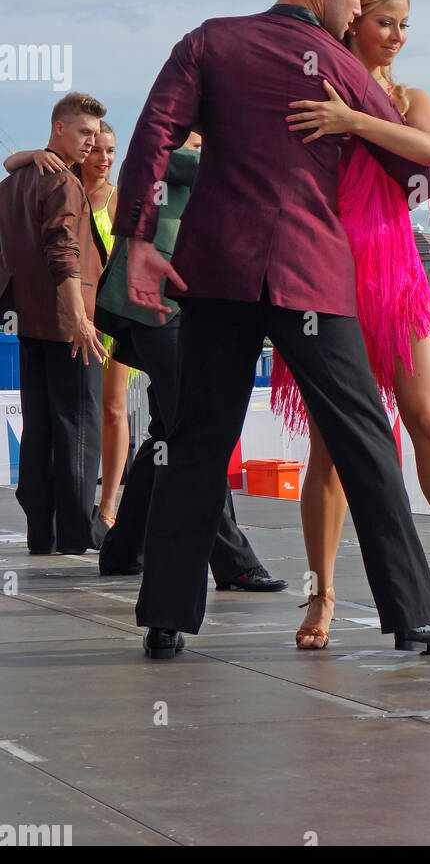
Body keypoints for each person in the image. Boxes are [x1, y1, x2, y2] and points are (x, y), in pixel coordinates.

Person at [115, 0, 430, 660]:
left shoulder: (210, 42)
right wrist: (359, 130)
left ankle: (167, 619)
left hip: (216, 271)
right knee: (365, 438)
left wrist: (137, 243)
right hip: (311, 274)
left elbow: (153, 137)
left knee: (197, 440)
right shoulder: (341, 65)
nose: (359, 11)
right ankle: (416, 617)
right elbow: (413, 167)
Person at [272, 0, 430, 647]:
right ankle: (320, 596)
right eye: (386, 22)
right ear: (353, 20)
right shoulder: (318, 87)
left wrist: (353, 120)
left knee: (427, 420)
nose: (399, 36)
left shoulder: (407, 97)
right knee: (330, 445)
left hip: (398, 274)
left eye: (406, 24)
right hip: (329, 278)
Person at [95, 134, 285, 592]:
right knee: (196, 430)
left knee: (167, 431)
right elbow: (228, 172)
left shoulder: (173, 159)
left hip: (163, 309)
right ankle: (233, 561)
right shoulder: (172, 153)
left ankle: (122, 551)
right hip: (160, 308)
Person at [6, 123, 134, 528]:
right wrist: (31, 154)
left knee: (112, 411)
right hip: (75, 321)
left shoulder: (118, 200)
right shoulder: (65, 186)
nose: (104, 158)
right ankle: (76, 513)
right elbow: (11, 164)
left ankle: (109, 505)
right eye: (97, 149)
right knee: (76, 416)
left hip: (111, 320)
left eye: (111, 151)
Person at [0, 93, 108, 553]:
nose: (92, 142)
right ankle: (77, 533)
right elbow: (63, 254)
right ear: (59, 128)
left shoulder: (14, 181)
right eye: (85, 132)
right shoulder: (62, 182)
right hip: (67, 323)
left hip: (28, 320)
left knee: (41, 427)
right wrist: (82, 320)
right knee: (78, 428)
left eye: (96, 134)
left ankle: (42, 532)